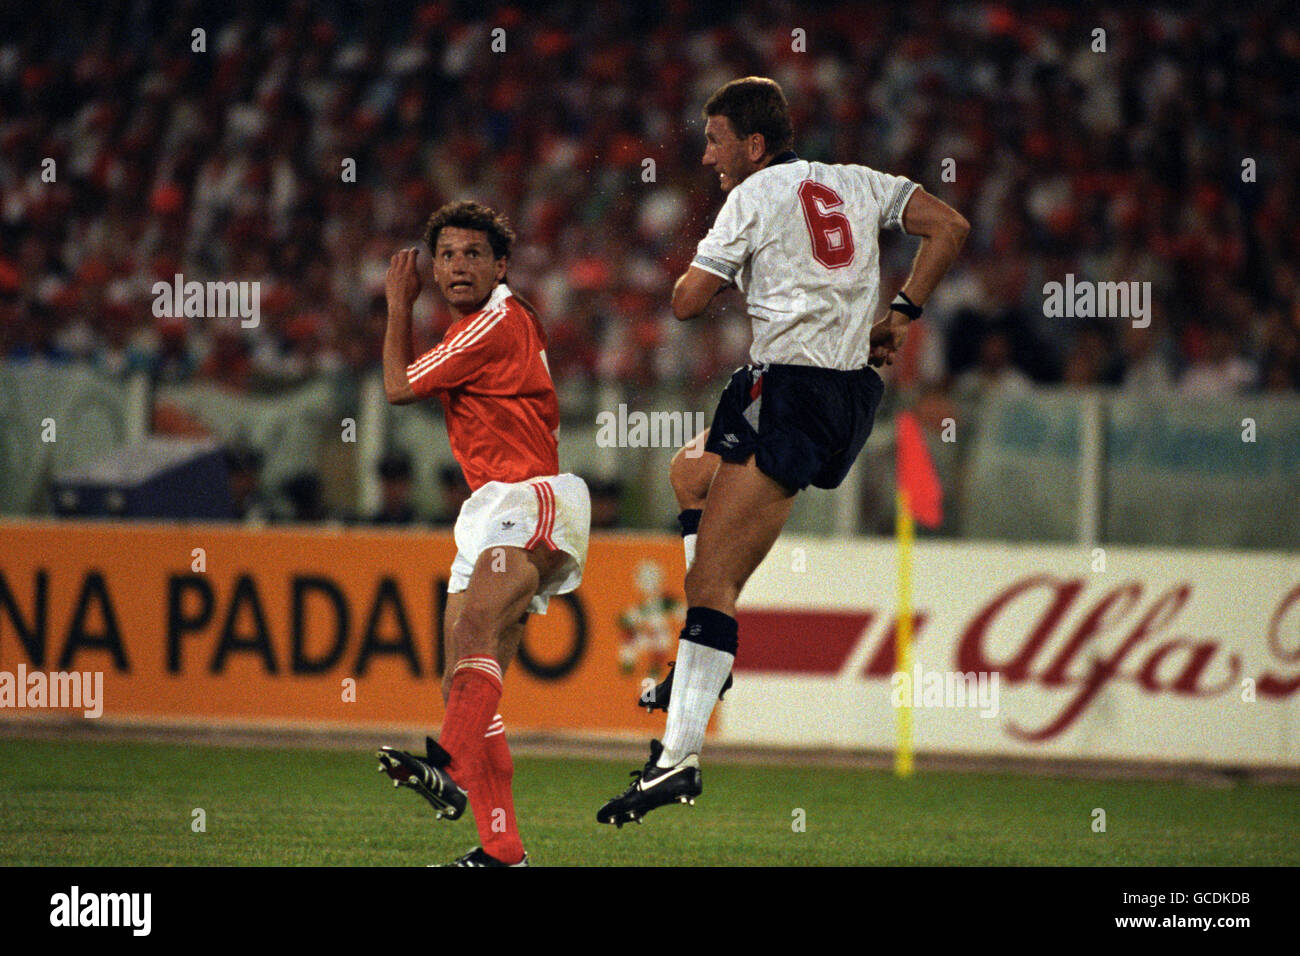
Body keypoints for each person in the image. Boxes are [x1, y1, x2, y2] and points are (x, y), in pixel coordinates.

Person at [597, 76, 968, 826]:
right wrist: (901, 311)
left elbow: (687, 301)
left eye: (715, 141)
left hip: (793, 394)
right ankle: (703, 668)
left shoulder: (753, 197)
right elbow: (949, 226)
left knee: (709, 587)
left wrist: (717, 265)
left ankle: (677, 759)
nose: (707, 157)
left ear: (754, 145)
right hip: (836, 391)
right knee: (687, 471)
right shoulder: (859, 182)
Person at [375, 200, 591, 866]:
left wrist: (396, 306)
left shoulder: (495, 319)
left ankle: (444, 765)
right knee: (462, 681)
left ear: (500, 266)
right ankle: (502, 850)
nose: (456, 265)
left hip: (531, 499)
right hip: (488, 512)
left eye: (472, 253)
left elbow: (397, 388)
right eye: (445, 255)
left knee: (474, 633)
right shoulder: (484, 326)